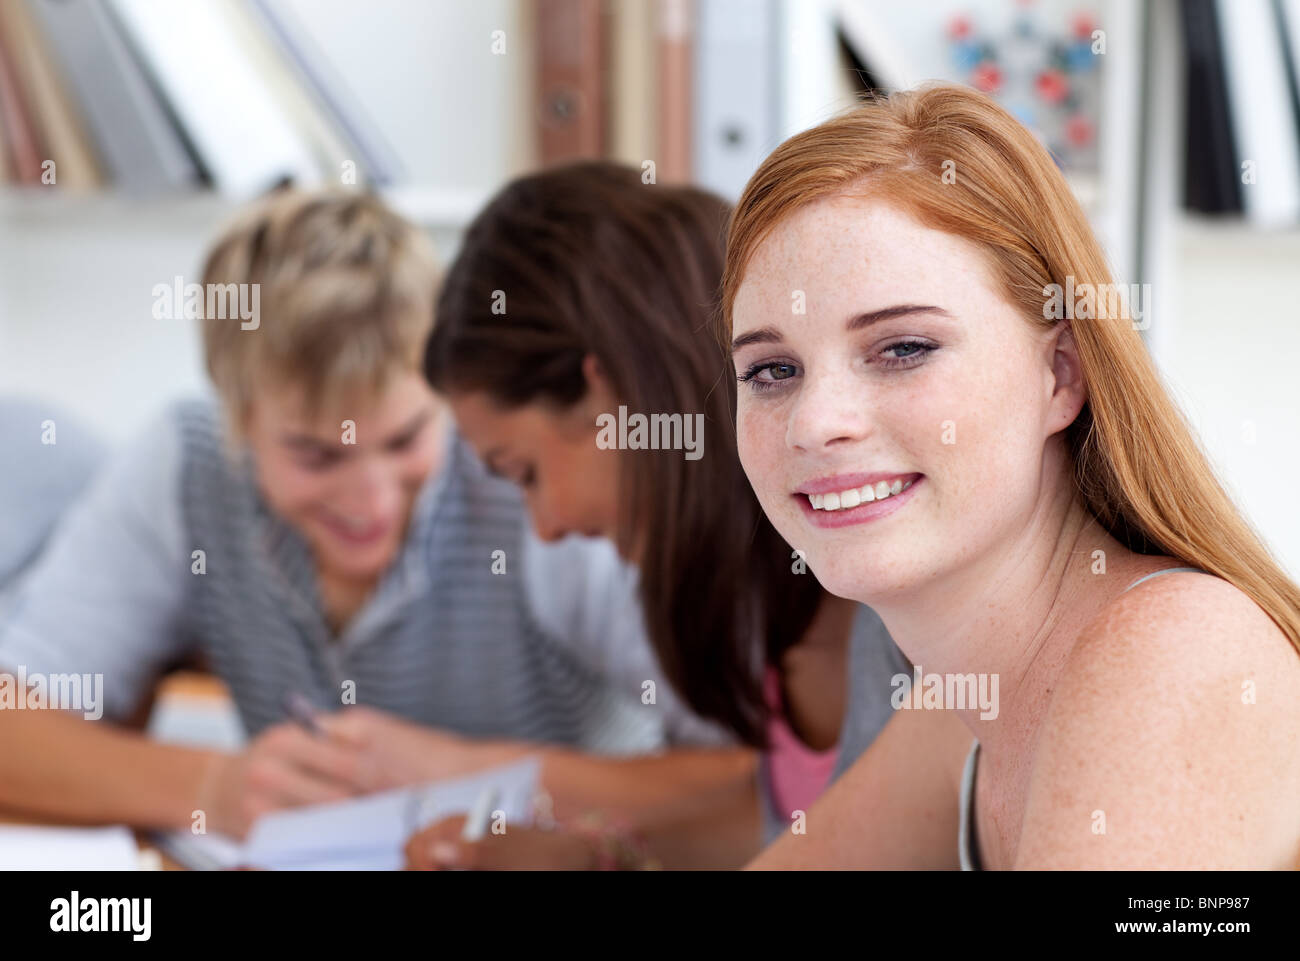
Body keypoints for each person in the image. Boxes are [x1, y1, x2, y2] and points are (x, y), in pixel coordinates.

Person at [0, 187, 732, 841]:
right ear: (239, 420)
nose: (371, 500)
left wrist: (457, 772)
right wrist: (209, 788)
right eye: (317, 455)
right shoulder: (185, 462)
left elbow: (751, 779)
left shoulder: (532, 486)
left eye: (407, 439)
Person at [721, 84, 1300, 869]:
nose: (815, 422)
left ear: (1061, 374)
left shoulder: (1171, 651)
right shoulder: (963, 704)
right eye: (771, 368)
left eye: (903, 349)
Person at [404, 162, 917, 870]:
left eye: (525, 473)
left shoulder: (896, 604)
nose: (546, 526)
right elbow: (793, 821)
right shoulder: (769, 612)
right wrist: (584, 855)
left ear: (606, 396)